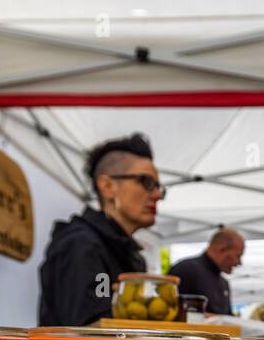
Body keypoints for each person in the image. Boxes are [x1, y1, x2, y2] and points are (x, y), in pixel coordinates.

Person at [38, 133, 162, 326]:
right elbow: (89, 335)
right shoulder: (81, 244)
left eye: (158, 187)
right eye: (146, 182)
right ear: (107, 186)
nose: (157, 195)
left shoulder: (129, 255)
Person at [168, 228, 243, 316]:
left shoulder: (224, 283)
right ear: (222, 249)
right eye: (238, 255)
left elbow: (229, 319)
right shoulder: (186, 269)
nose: (239, 263)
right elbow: (169, 311)